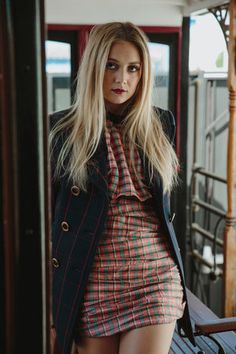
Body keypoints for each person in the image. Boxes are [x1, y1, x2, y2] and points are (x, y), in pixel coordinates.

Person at [50, 22, 196, 354]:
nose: (122, 79)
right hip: (90, 279)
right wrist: (50, 309)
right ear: (93, 67)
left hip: (154, 277)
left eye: (133, 68)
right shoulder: (61, 131)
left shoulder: (160, 123)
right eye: (111, 66)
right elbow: (48, 226)